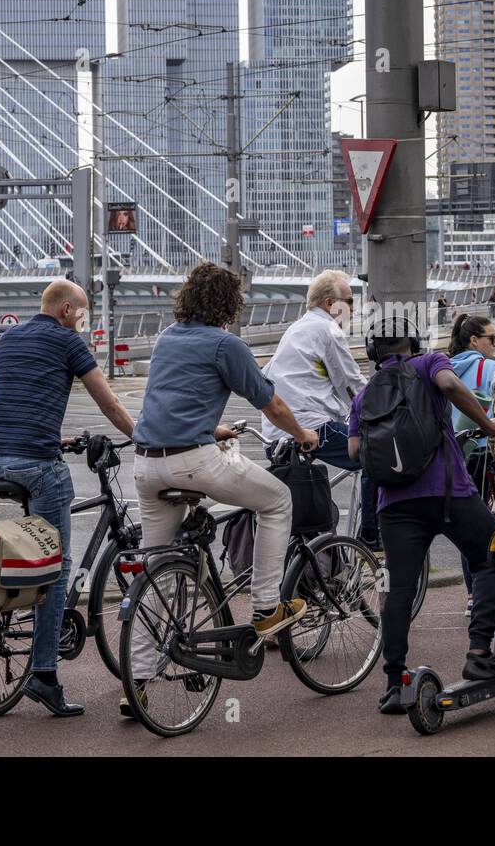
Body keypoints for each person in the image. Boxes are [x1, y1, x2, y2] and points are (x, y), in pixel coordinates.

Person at [127, 263, 320, 713]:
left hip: (146, 465)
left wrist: (210, 428)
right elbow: (270, 402)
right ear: (229, 304)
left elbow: (173, 401)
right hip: (193, 464)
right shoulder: (225, 344)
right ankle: (267, 606)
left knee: (156, 580)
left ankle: (134, 683)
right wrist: (303, 435)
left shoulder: (167, 338)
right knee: (276, 501)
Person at [0, 278, 137, 717]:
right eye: (82, 315)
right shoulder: (69, 341)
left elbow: (12, 399)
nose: (82, 324)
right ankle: (44, 675)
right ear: (67, 310)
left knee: (34, 550)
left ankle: (18, 605)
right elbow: (109, 404)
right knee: (56, 565)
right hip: (34, 464)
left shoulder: (10, 338)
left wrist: (57, 437)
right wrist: (143, 437)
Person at [347, 315, 495, 714]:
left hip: (395, 505)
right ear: (413, 345)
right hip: (448, 492)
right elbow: (451, 385)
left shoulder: (364, 395)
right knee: (492, 554)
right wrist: (489, 425)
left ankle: (394, 682)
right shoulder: (429, 363)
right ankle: (478, 650)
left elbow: (354, 454)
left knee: (398, 590)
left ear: (373, 354)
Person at [262, 269, 376, 544]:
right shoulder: (327, 330)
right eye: (348, 301)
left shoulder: (297, 328)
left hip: (277, 433)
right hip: (309, 426)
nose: (352, 307)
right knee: (374, 459)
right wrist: (382, 408)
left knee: (306, 507)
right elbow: (351, 385)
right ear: (329, 304)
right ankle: (373, 535)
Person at [447, 313, 495, 616]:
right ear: (474, 340)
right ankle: (483, 596)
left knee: (464, 526)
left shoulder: (445, 366)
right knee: (486, 526)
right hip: (482, 452)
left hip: (453, 454)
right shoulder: (491, 368)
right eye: (492, 338)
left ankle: (471, 595)